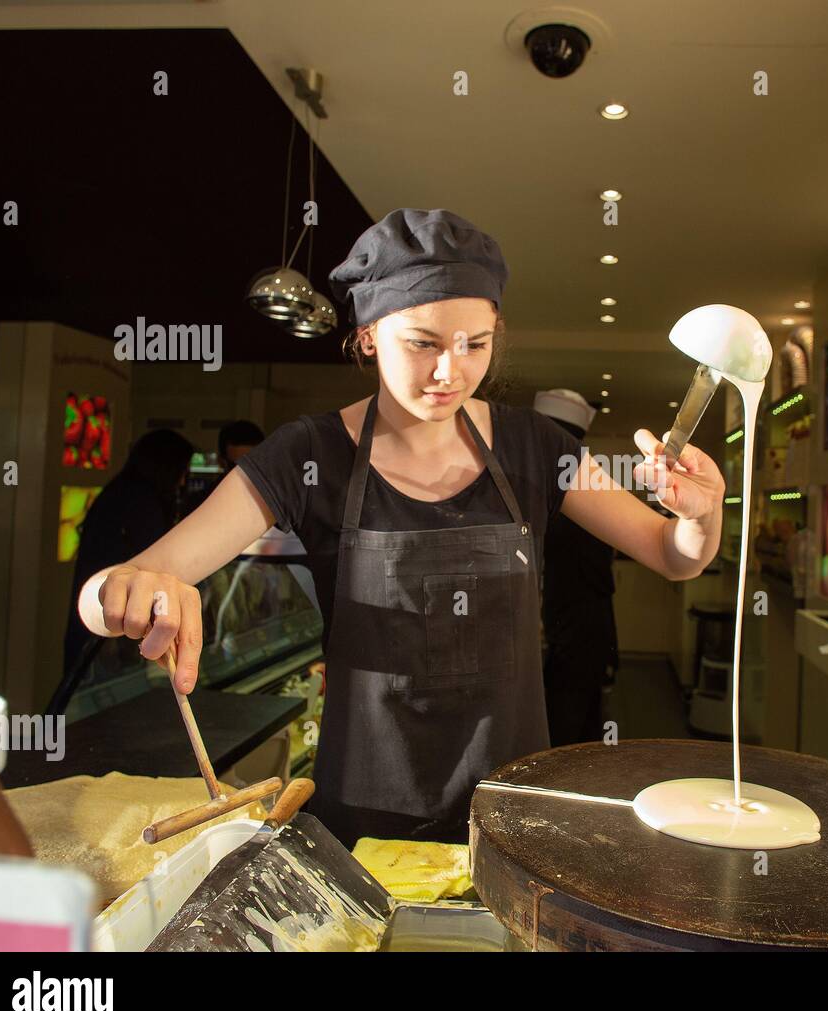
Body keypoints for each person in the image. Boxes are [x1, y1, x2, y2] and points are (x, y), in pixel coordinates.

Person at [77, 209, 724, 848]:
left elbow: (672, 555)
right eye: (423, 343)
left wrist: (701, 515)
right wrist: (132, 594)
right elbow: (116, 585)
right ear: (367, 334)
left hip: (511, 824)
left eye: (476, 343)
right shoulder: (309, 455)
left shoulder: (534, 447)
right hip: (362, 828)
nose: (452, 372)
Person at [63, 428, 195, 675]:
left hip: (98, 621)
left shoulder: (119, 491)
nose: (183, 481)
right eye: (181, 470)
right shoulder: (142, 501)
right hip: (110, 627)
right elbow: (160, 564)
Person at [533, 389, 618, 746]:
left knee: (567, 732)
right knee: (581, 726)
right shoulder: (568, 485)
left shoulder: (575, 491)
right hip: (577, 631)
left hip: (575, 633)